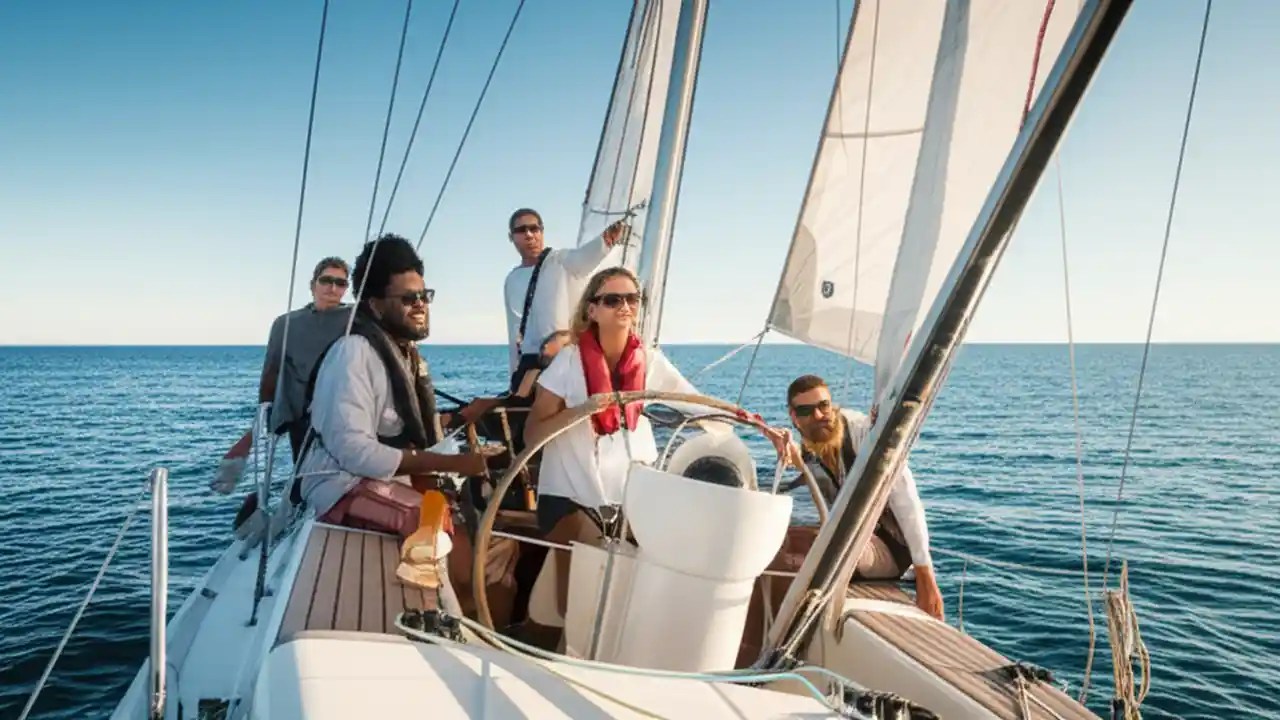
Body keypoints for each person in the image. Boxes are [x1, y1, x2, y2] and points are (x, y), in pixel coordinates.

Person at [294, 234, 510, 611]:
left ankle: (470, 600)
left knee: (482, 539)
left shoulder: (403, 354)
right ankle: (444, 610)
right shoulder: (353, 355)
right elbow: (355, 453)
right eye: (408, 298)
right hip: (339, 483)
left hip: (385, 475)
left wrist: (462, 418)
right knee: (434, 519)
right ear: (376, 305)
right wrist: (453, 464)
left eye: (424, 295)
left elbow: (406, 428)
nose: (420, 306)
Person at [780, 374, 944, 619]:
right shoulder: (808, 447)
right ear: (794, 416)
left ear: (831, 404)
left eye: (823, 406)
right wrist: (794, 462)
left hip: (889, 547)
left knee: (805, 545)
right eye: (806, 411)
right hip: (849, 539)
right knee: (777, 538)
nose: (818, 416)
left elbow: (905, 497)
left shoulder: (864, 434)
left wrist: (925, 573)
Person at [220, 257, 352, 536]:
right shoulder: (286, 324)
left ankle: (312, 512)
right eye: (326, 281)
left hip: (342, 412)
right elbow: (272, 372)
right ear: (312, 284)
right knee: (303, 472)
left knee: (336, 476)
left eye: (340, 283)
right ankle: (290, 516)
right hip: (300, 414)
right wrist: (260, 420)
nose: (332, 288)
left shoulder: (356, 320)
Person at [503, 208, 627, 393]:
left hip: (563, 360)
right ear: (511, 237)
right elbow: (514, 333)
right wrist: (514, 375)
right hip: (530, 366)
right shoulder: (512, 280)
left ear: (541, 232)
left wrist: (611, 235)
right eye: (521, 230)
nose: (529, 235)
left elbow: (588, 255)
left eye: (534, 228)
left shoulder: (561, 261)